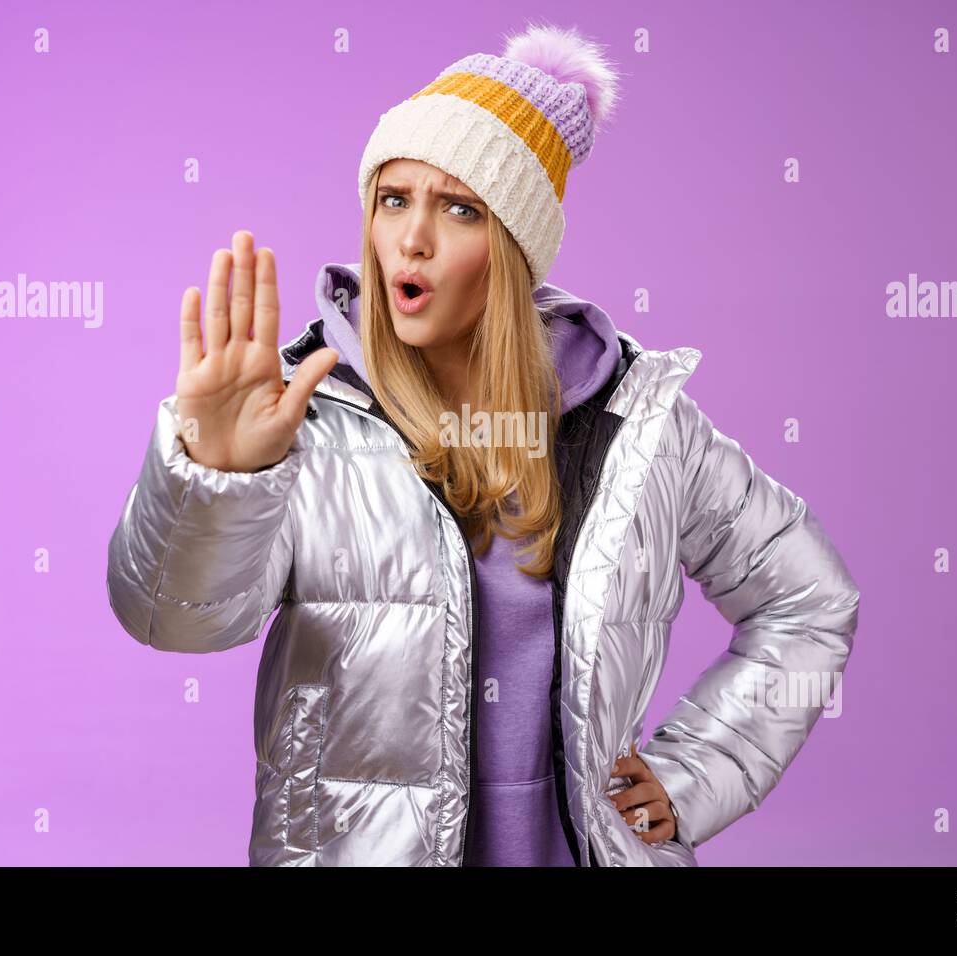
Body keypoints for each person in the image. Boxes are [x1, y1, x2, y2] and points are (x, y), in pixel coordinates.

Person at [105, 23, 860, 867]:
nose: (411, 238)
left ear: (512, 246)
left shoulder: (637, 421)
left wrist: (692, 777)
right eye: (394, 199)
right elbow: (172, 620)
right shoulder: (302, 414)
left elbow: (810, 599)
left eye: (458, 208)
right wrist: (215, 475)